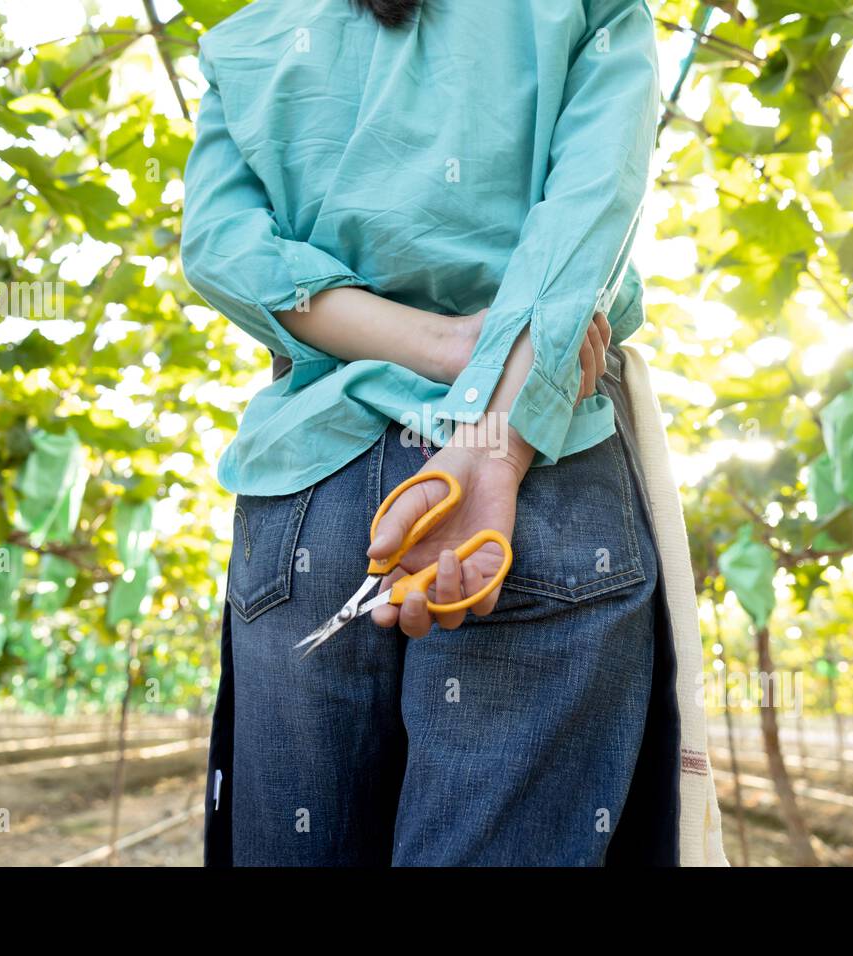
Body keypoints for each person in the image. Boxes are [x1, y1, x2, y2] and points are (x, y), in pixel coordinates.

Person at [182, 0, 679, 866]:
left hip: (312, 488)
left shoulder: (248, 39)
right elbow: (592, 210)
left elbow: (220, 250)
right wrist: (497, 436)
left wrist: (439, 345)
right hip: (542, 469)